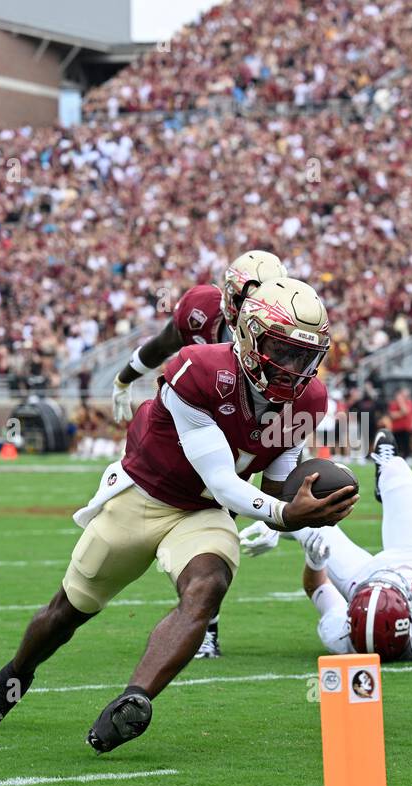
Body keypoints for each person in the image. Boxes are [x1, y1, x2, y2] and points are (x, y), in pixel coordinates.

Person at [0, 278, 357, 754]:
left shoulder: (308, 399)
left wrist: (307, 510)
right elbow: (224, 481)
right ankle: (12, 679)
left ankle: (134, 700)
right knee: (66, 613)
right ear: (249, 336)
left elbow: (276, 489)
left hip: (202, 514)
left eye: (305, 356)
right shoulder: (199, 370)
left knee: (206, 588)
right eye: (282, 350)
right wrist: (286, 514)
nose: (294, 369)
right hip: (143, 498)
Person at [109, 248, 286, 658]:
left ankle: (206, 626)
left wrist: (279, 505)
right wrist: (124, 378)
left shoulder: (280, 338)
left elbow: (295, 411)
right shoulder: (200, 312)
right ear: (230, 298)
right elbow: (163, 343)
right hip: (189, 431)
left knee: (216, 529)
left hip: (245, 438)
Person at [239, 432, 412, 660]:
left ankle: (282, 514)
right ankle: (386, 467)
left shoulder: (341, 637)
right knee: (398, 471)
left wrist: (313, 561)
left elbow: (317, 588)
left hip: (360, 577)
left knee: (309, 533)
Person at [110, 250, 287, 425]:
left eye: (265, 307)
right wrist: (122, 381)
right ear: (231, 294)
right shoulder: (201, 311)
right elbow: (161, 346)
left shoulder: (285, 342)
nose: (252, 313)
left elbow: (291, 404)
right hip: (202, 416)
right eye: (246, 301)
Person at [386, 387, 412, 459]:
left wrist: (401, 403)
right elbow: (392, 415)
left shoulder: (409, 403)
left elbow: (406, 411)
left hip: (406, 428)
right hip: (396, 428)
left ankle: (408, 457)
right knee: (396, 445)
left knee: (406, 444)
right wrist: (401, 413)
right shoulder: (393, 404)